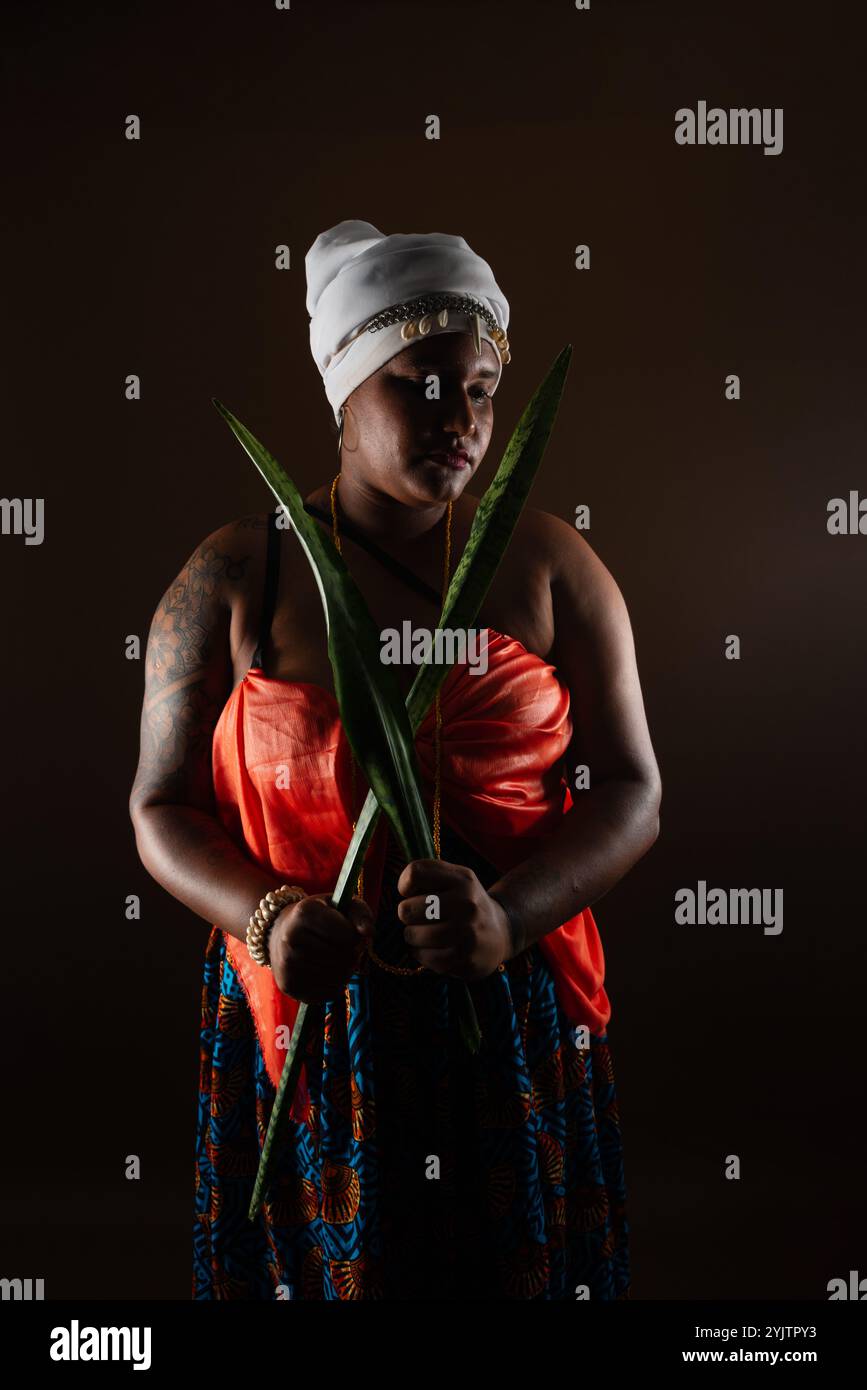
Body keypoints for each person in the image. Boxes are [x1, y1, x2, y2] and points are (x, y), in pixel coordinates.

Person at [129, 219, 662, 1301]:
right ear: (344, 389)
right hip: (309, 1005)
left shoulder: (552, 566)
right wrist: (268, 917)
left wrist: (510, 918)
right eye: (419, 384)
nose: (458, 419)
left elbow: (635, 790)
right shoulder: (239, 574)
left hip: (505, 991)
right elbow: (159, 809)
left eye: (478, 390)